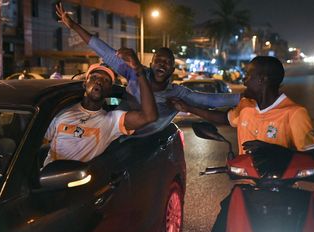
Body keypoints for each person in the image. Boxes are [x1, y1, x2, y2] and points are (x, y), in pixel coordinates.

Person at [169, 56, 314, 232]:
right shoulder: (246, 106)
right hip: (248, 191)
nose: (244, 79)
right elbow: (224, 119)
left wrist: (272, 151)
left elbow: (311, 156)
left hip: (285, 192)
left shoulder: (295, 113)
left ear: (262, 79)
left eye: (249, 75)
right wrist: (188, 107)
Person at [55, 3, 240, 137]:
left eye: (167, 63)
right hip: (116, 137)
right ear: (151, 64)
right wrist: (72, 26)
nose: (162, 64)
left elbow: (210, 99)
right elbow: (103, 50)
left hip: (145, 146)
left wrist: (246, 96)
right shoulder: (133, 72)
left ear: (172, 69)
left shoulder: (177, 93)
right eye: (158, 60)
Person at [43, 48, 157, 166]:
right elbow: (39, 141)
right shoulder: (61, 112)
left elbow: (149, 116)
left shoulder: (111, 121)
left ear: (109, 90)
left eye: (106, 80)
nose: (99, 82)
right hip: (46, 180)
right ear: (84, 83)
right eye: (94, 77)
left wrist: (139, 70)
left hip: (80, 182)